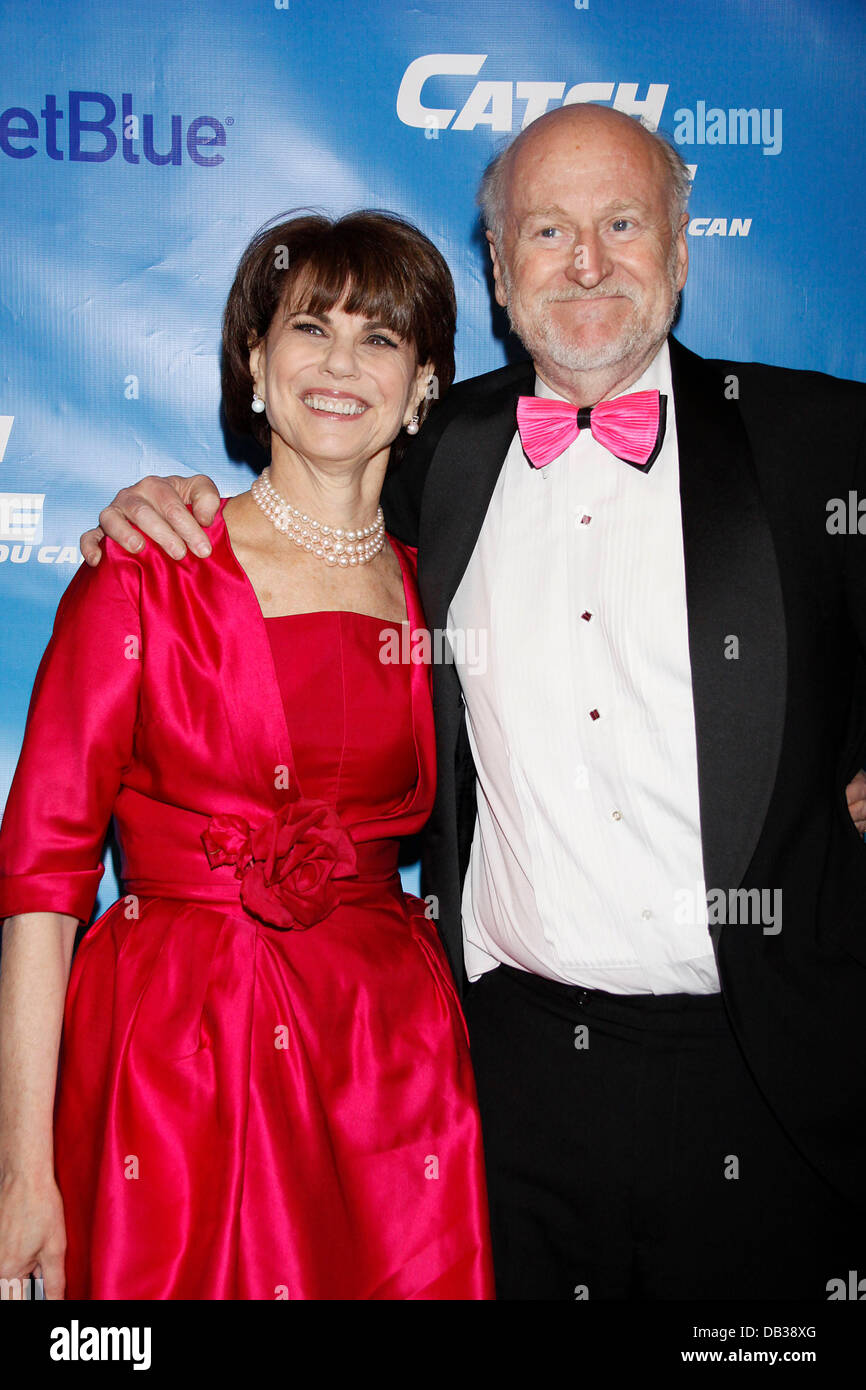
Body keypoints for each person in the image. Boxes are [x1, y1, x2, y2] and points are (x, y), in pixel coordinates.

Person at [80, 105, 866, 1300]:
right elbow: (298, 517)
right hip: (500, 1083)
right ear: (500, 274)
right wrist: (150, 506)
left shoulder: (820, 441)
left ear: (682, 249)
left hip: (763, 1076)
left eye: (619, 224)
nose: (585, 262)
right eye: (547, 231)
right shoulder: (439, 453)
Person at [0, 210, 494, 1300]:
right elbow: (41, 887)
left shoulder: (445, 590)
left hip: (384, 1070)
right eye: (308, 327)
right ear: (253, 365)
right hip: (171, 1068)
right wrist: (20, 1171)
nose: (338, 363)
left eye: (380, 338)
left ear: (422, 386)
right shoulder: (145, 569)